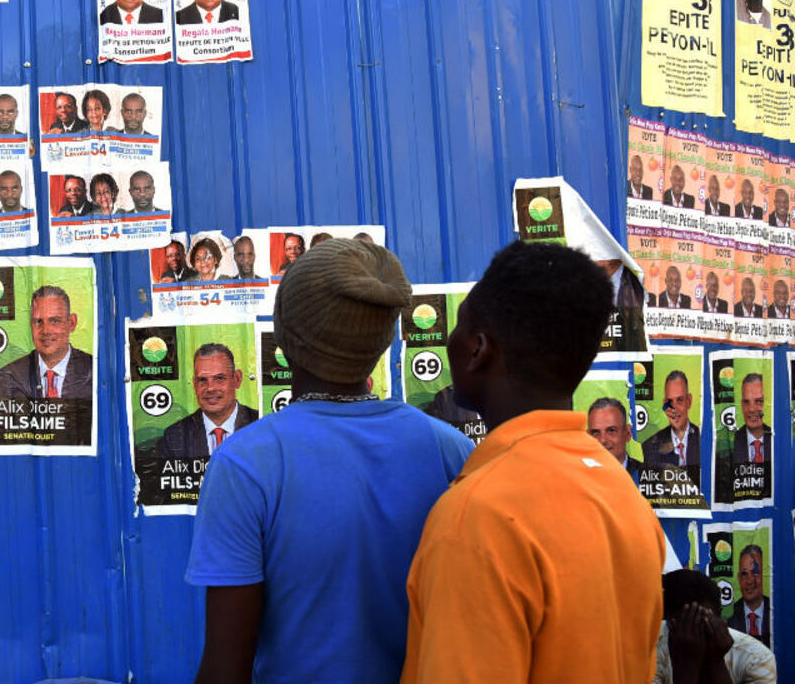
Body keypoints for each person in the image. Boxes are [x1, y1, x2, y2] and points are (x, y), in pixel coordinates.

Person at [187, 238, 472, 682]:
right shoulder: (451, 450)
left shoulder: (244, 464)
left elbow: (226, 667)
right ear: (380, 343)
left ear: (283, 336)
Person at [400, 240, 665, 683]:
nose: (449, 339)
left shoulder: (476, 518)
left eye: (459, 326)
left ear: (478, 349)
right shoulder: (623, 496)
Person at [652, 569, 775, 684]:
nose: (695, 636)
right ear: (667, 621)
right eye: (686, 626)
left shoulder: (755, 657)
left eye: (702, 623)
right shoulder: (649, 648)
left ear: (720, 616)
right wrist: (688, 665)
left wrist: (716, 661)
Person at [0, 286, 93, 400]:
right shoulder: (8, 377)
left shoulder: (95, 371)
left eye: (54, 321)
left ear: (71, 323)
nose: (45, 330)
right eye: (38, 321)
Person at [154, 342, 257, 459]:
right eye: (202, 380)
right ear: (194, 385)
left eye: (219, 378)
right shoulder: (174, 437)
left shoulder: (261, 425)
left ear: (237, 379)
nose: (210, 388)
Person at [641, 370, 700, 468]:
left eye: (680, 400)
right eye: (669, 401)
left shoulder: (704, 441)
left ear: (689, 401)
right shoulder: (649, 448)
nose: (674, 408)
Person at [587, 397, 642, 483]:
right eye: (595, 433)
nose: (602, 440)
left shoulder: (646, 475)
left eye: (611, 431)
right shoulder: (578, 479)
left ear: (627, 433)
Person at [726, 545, 771, 647]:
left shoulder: (778, 613)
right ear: (739, 578)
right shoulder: (729, 616)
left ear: (764, 575)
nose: (750, 581)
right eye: (744, 574)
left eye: (755, 573)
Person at [732, 372, 771, 466]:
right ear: (741, 404)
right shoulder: (730, 443)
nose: (751, 409)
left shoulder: (779, 440)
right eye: (746, 402)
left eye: (758, 402)